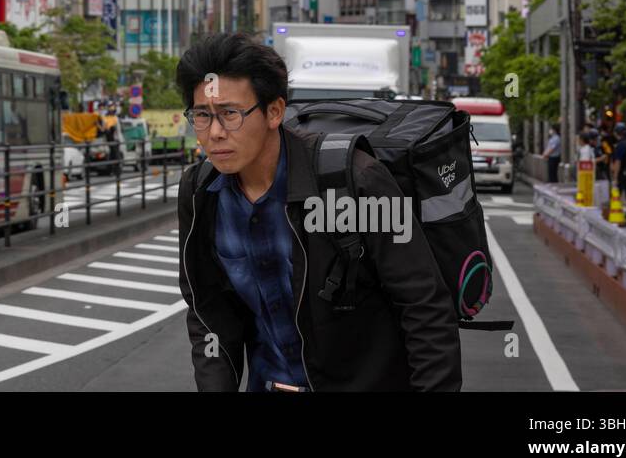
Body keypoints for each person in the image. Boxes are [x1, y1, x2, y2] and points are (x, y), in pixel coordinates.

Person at [175, 32, 461, 392]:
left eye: (230, 114)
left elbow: (425, 308)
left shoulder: (357, 181)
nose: (214, 132)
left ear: (274, 111)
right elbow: (207, 311)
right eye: (202, 115)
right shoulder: (201, 193)